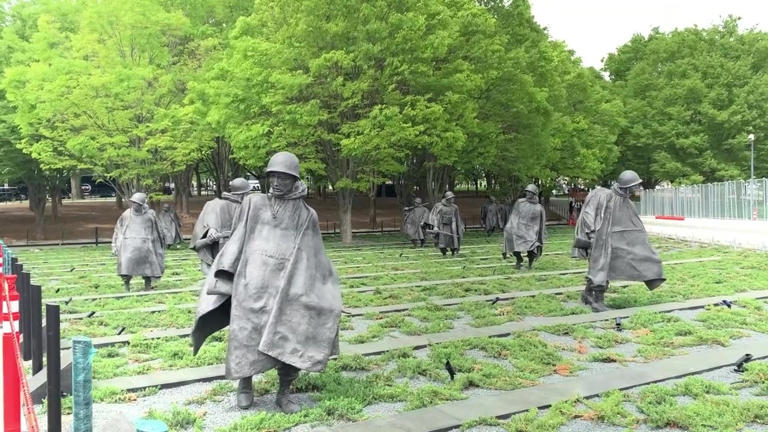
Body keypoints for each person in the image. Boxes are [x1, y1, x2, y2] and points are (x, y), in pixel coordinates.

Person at [191, 152, 341, 414]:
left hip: (288, 286)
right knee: (245, 335)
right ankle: (245, 384)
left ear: (294, 180)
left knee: (289, 336)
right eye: (273, 176)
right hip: (251, 283)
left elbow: (315, 254)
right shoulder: (253, 203)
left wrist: (326, 293)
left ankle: (284, 392)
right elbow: (238, 238)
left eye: (284, 177)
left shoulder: (307, 215)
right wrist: (227, 272)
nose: (277, 182)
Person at [573, 170, 665, 312]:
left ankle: (587, 295)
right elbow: (588, 214)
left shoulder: (626, 202)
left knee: (604, 268)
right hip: (599, 240)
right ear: (626, 186)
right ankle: (597, 302)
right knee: (600, 268)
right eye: (635, 185)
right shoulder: (603, 195)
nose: (637, 188)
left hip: (613, 242)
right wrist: (591, 235)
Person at [189, 178, 250, 275]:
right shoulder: (217, 204)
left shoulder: (244, 206)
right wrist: (212, 228)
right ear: (245, 194)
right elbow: (212, 211)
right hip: (221, 248)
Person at [112, 193, 165, 292]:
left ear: (142, 204)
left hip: (145, 245)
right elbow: (118, 229)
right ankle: (126, 286)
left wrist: (156, 243)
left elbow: (156, 231)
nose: (134, 205)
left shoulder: (149, 216)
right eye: (133, 202)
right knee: (126, 267)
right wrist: (115, 244)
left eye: (136, 203)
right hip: (128, 245)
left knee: (148, 267)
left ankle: (147, 285)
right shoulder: (126, 214)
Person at [503, 184, 547, 269]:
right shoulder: (520, 203)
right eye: (527, 192)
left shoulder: (539, 208)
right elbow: (514, 216)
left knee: (532, 247)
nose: (528, 194)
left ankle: (530, 264)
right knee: (512, 240)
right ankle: (519, 260)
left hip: (532, 232)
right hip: (520, 229)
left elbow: (541, 223)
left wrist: (540, 236)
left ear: (534, 194)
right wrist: (510, 227)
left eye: (530, 192)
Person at [429, 191, 464, 256]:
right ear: (447, 199)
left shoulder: (455, 207)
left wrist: (461, 226)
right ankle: (444, 253)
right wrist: (435, 226)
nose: (453, 199)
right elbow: (435, 216)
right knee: (442, 240)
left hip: (452, 225)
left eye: (453, 197)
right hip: (442, 225)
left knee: (453, 239)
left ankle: (453, 252)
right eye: (451, 198)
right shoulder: (439, 206)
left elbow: (458, 217)